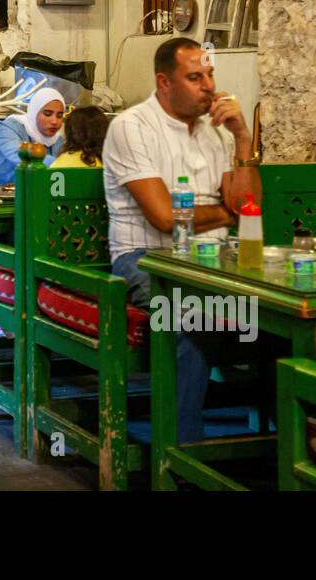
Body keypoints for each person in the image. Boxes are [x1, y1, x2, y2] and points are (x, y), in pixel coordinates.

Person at [100, 36, 261, 443]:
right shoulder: (131, 127)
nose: (209, 86)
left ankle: (282, 454)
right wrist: (227, 213)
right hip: (146, 257)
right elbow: (165, 218)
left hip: (216, 258)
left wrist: (243, 138)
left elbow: (248, 205)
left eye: (210, 75)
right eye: (195, 77)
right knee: (189, 318)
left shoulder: (220, 133)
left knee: (286, 319)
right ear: (164, 82)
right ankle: (179, 456)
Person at [0, 87, 66, 183]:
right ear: (35, 112)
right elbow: (20, 155)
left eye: (59, 116)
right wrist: (63, 164)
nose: (54, 121)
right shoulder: (8, 129)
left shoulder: (57, 140)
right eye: (47, 114)